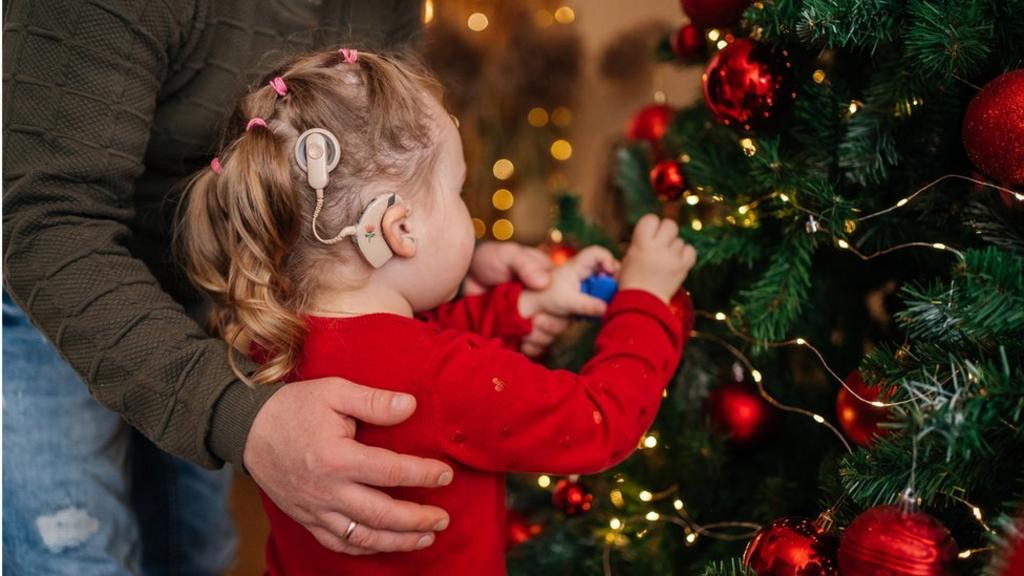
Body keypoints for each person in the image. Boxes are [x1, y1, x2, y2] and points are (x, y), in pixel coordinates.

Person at [2, 1, 563, 573]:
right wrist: (235, 415)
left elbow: (376, 183)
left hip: (220, 295)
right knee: (72, 556)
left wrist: (461, 270)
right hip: (48, 279)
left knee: (195, 551)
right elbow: (50, 221)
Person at [175, 48, 698, 573]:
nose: (466, 209)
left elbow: (416, 340)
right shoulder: (443, 376)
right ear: (399, 231)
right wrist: (646, 299)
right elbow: (599, 421)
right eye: (458, 190)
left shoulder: (271, 338)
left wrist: (522, 306)